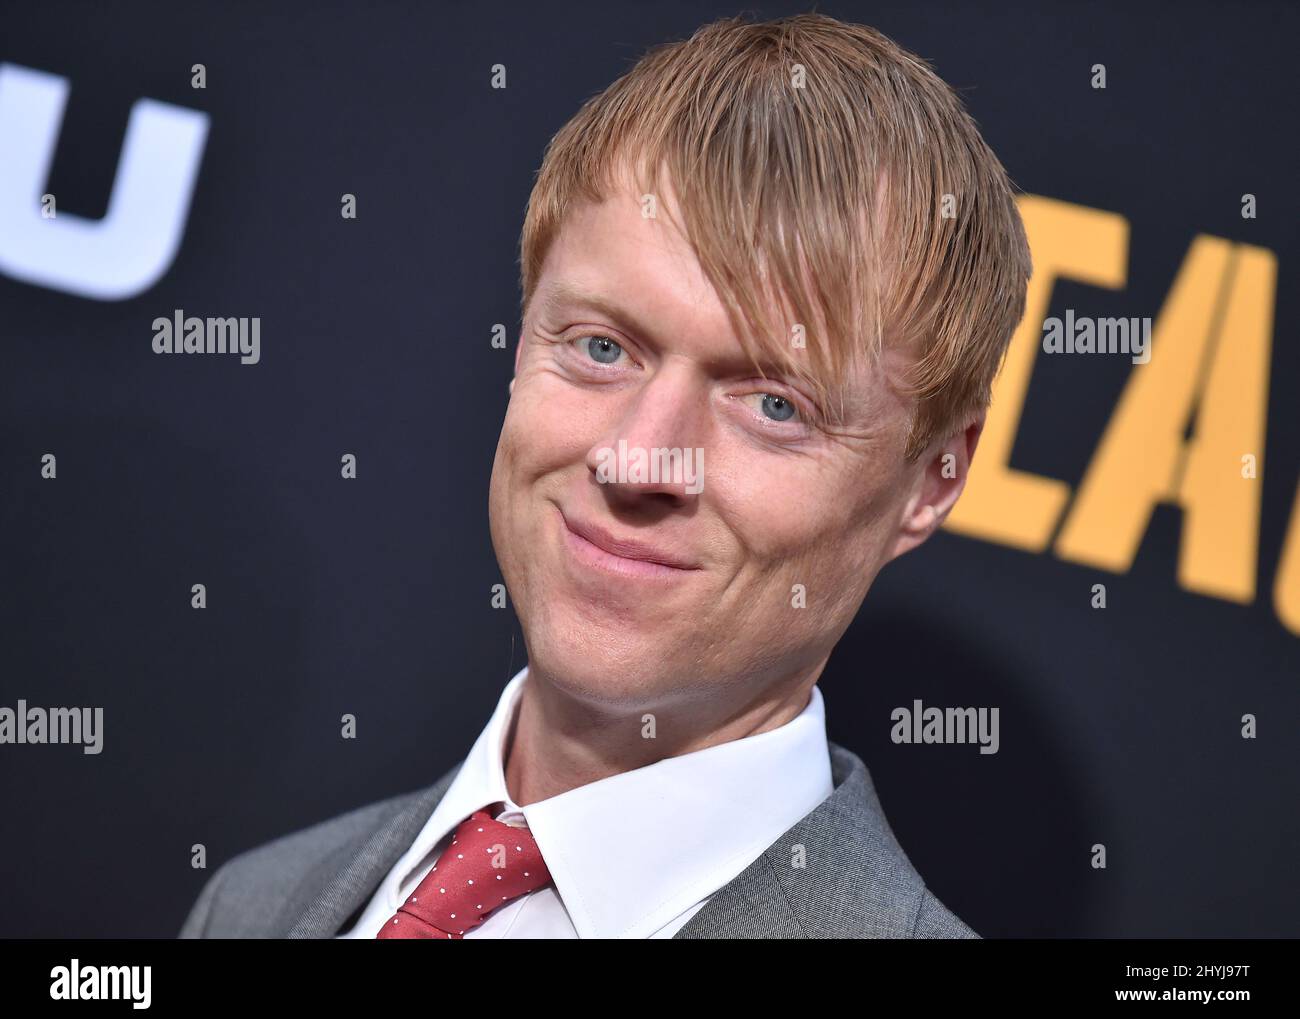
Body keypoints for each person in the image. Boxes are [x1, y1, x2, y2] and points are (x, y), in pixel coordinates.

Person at [180, 11, 1031, 940]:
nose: (636, 459)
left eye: (773, 405)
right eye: (600, 347)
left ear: (933, 480)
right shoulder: (253, 903)